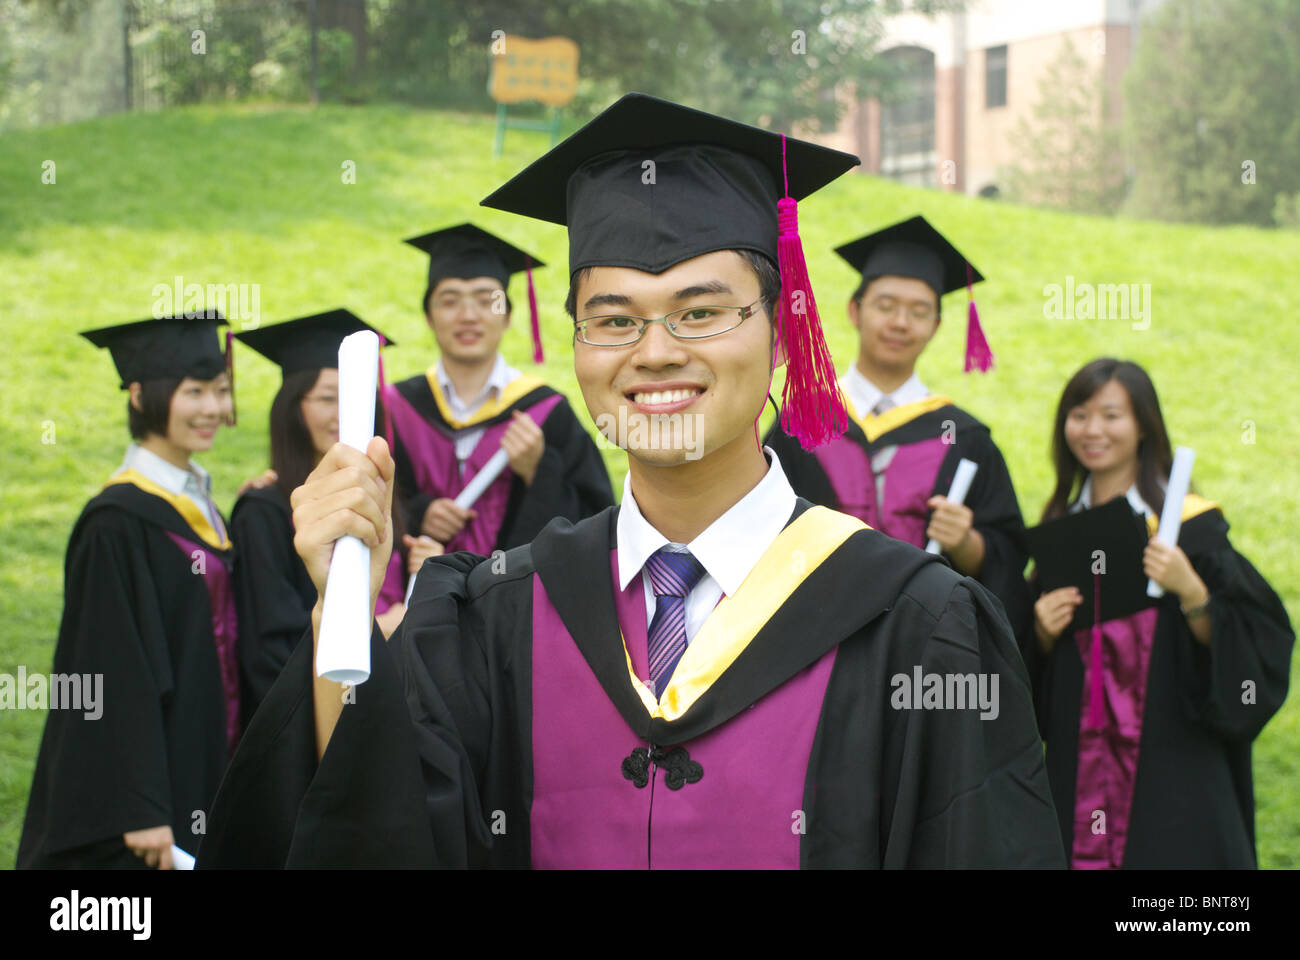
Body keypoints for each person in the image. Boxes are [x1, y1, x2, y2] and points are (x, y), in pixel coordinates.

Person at [199, 94, 1064, 869]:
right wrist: (336, 600)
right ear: (576, 348)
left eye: (701, 311)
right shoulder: (497, 615)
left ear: (780, 334)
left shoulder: (913, 621)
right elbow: (371, 828)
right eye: (611, 320)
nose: (654, 352)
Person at [1021, 358, 1293, 868]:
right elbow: (1028, 676)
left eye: (1111, 415)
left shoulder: (1192, 529)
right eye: (1079, 415)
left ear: (1144, 424)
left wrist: (1191, 591)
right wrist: (1039, 632)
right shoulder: (1062, 530)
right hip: (1077, 766)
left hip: (1174, 762)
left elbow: (1263, 641)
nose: (1093, 430)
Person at [18, 313, 240, 869]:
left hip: (198, 749)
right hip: (148, 788)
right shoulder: (117, 521)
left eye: (219, 390)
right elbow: (105, 666)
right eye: (195, 392)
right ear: (141, 394)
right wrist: (137, 806)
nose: (213, 408)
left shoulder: (199, 502)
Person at [766, 215, 1031, 632]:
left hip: (923, 642)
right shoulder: (800, 421)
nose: (900, 322)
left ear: (936, 327)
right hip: (810, 637)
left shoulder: (966, 438)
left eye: (919, 311)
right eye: (886, 306)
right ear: (855, 311)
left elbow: (1009, 559)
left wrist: (967, 543)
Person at [230, 309, 441, 726]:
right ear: (292, 406)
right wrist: (382, 626)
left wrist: (427, 568)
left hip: (398, 709)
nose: (343, 414)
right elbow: (269, 649)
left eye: (354, 397)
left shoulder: (385, 495)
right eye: (328, 398)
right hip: (316, 723)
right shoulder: (264, 513)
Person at [386, 223, 613, 553]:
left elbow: (596, 519)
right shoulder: (396, 407)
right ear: (428, 317)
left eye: (486, 301)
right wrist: (419, 513)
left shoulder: (546, 412)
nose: (468, 316)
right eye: (449, 301)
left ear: (507, 316)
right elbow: (371, 501)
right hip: (412, 598)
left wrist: (540, 471)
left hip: (512, 598)